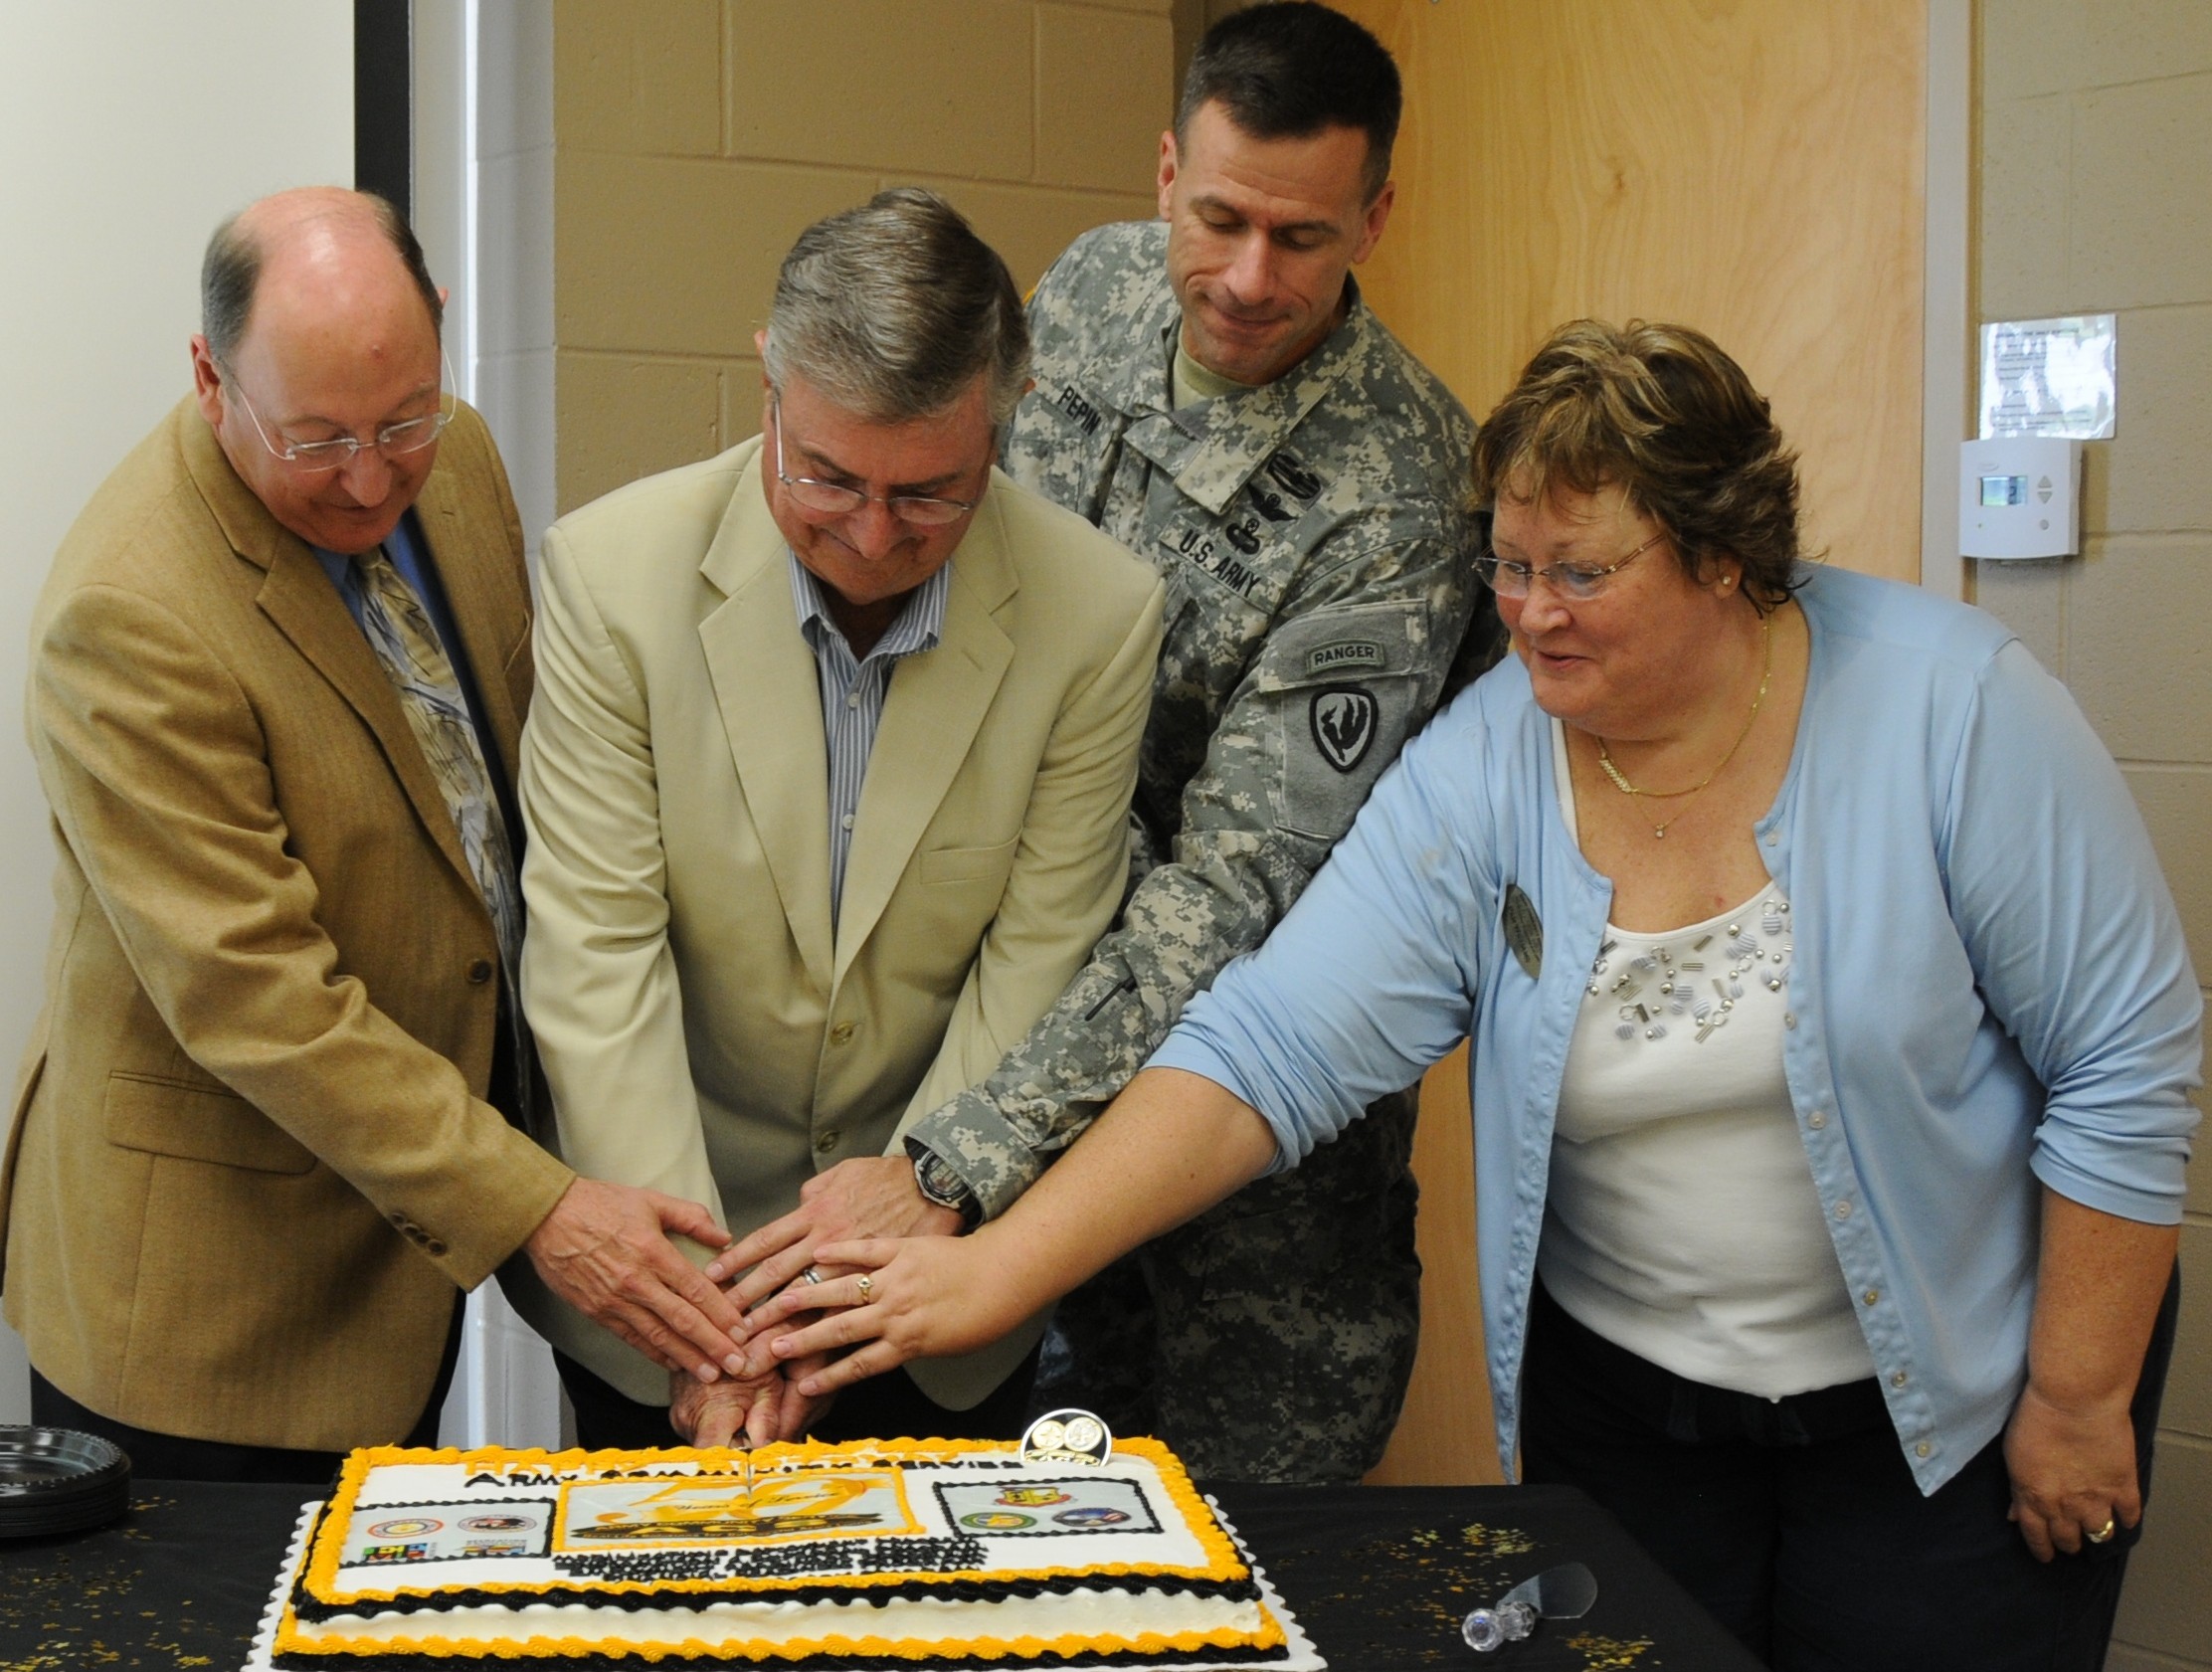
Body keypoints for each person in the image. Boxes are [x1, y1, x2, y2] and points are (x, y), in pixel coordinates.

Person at [744, 320, 2199, 1670]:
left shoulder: (1955, 709)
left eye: (1582, 572)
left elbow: (2125, 1065)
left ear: (1723, 555)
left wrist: (2076, 1402)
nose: (1529, 615)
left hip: (1947, 1410)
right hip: (1632, 1411)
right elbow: (1273, 1045)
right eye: (1508, 567)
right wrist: (1004, 1263)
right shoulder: (1490, 756)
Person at [716, 0, 1493, 1484]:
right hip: (1001, 1047)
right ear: (1160, 173)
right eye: (1217, 218)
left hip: (1232, 1179)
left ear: (1376, 217)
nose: (1248, 279)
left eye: (1304, 237)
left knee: (1218, 1577)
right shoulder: (1078, 296)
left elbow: (1228, 895)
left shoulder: (1393, 493)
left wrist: (962, 1157)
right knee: (1005, 1560)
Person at [0, 188, 757, 1483]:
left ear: (440, 338)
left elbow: (499, 806)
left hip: (392, 1259)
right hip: (206, 1312)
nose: (369, 477)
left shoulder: (453, 454)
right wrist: (540, 1205)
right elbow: (260, 1002)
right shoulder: (126, 616)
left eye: (401, 416)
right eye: (316, 439)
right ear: (207, 375)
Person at [499, 188, 1163, 1450]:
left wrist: (885, 1249)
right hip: (668, 1279)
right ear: (770, 382)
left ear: (1001, 416)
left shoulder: (1098, 613)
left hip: (940, 1281)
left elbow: (1038, 963)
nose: (870, 536)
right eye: (828, 477)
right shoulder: (610, 578)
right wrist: (714, 1322)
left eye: (931, 495)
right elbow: (597, 958)